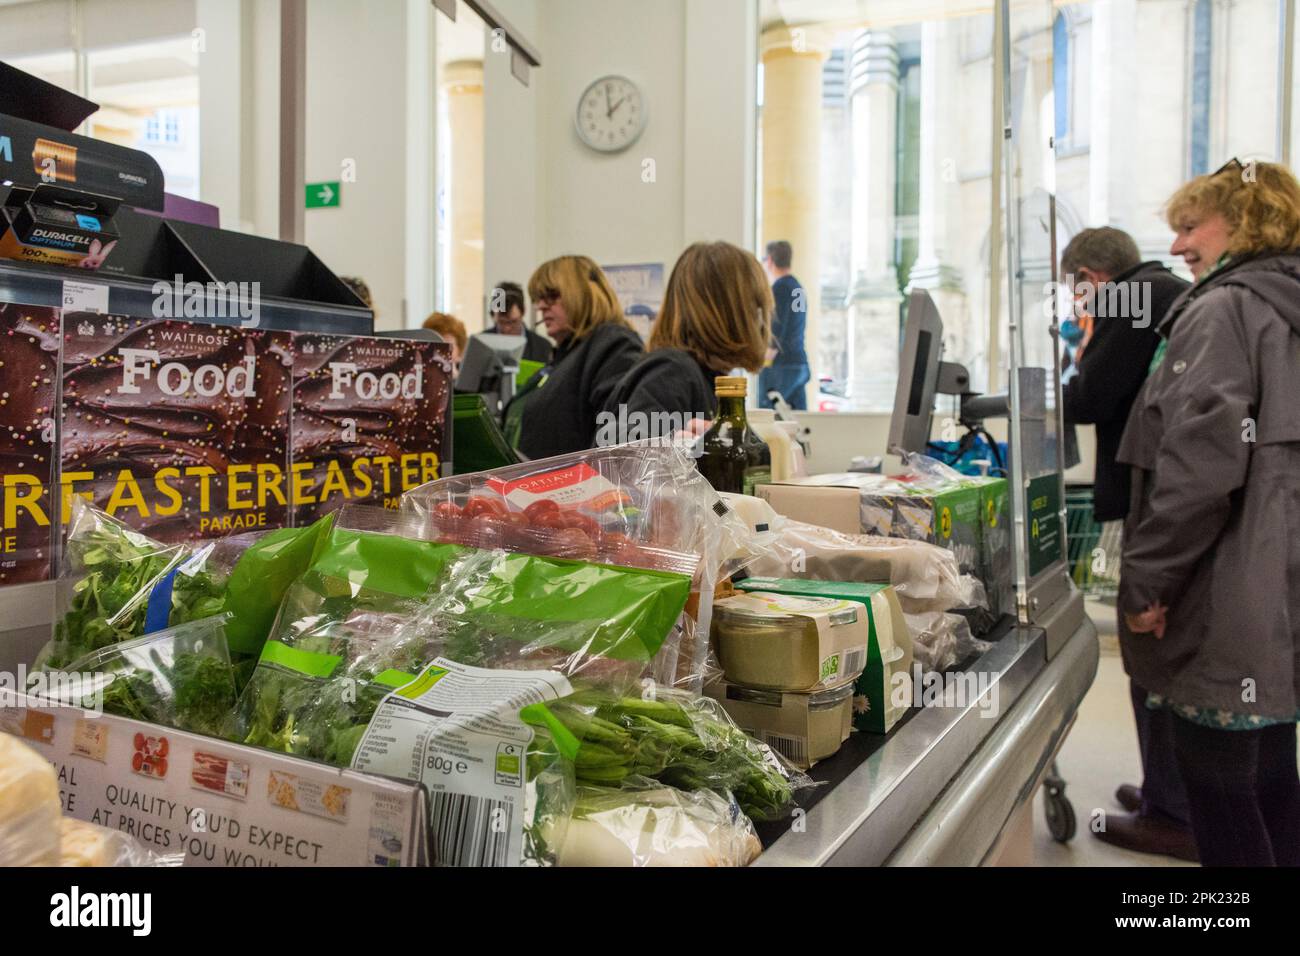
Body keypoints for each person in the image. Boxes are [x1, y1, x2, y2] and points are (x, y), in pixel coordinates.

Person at [1118, 159, 1300, 867]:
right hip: (1279, 598)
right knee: (1272, 773)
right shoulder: (1283, 307)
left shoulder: (1224, 311)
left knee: (1220, 790)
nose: (1177, 247)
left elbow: (1197, 474)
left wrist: (1146, 586)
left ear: (1247, 224)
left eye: (1191, 227)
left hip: (1231, 595)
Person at [1056, 227, 1195, 860]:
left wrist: (1080, 350)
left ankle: (1173, 810)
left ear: (1092, 275)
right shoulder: (1168, 289)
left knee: (1149, 652)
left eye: (1074, 288)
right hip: (1169, 487)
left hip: (1151, 492)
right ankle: (1171, 793)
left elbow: (1088, 399)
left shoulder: (1126, 300)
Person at [603, 242, 773, 441]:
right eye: (755, 306)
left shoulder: (702, 376)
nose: (760, 318)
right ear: (733, 311)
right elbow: (629, 453)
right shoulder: (671, 372)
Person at [507, 255, 643, 459]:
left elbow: (615, 444)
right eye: (538, 298)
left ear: (583, 294)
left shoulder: (612, 344)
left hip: (579, 486)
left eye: (551, 295)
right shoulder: (566, 354)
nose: (541, 306)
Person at [758, 240, 810, 410]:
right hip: (799, 362)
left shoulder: (779, 289)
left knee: (767, 414)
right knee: (798, 418)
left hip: (782, 365)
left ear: (770, 260)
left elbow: (777, 325)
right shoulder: (798, 289)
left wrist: (766, 353)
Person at [484, 281, 552, 364]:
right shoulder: (480, 345)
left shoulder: (542, 347)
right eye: (501, 322)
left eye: (512, 322)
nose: (506, 329)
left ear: (523, 312)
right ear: (492, 315)